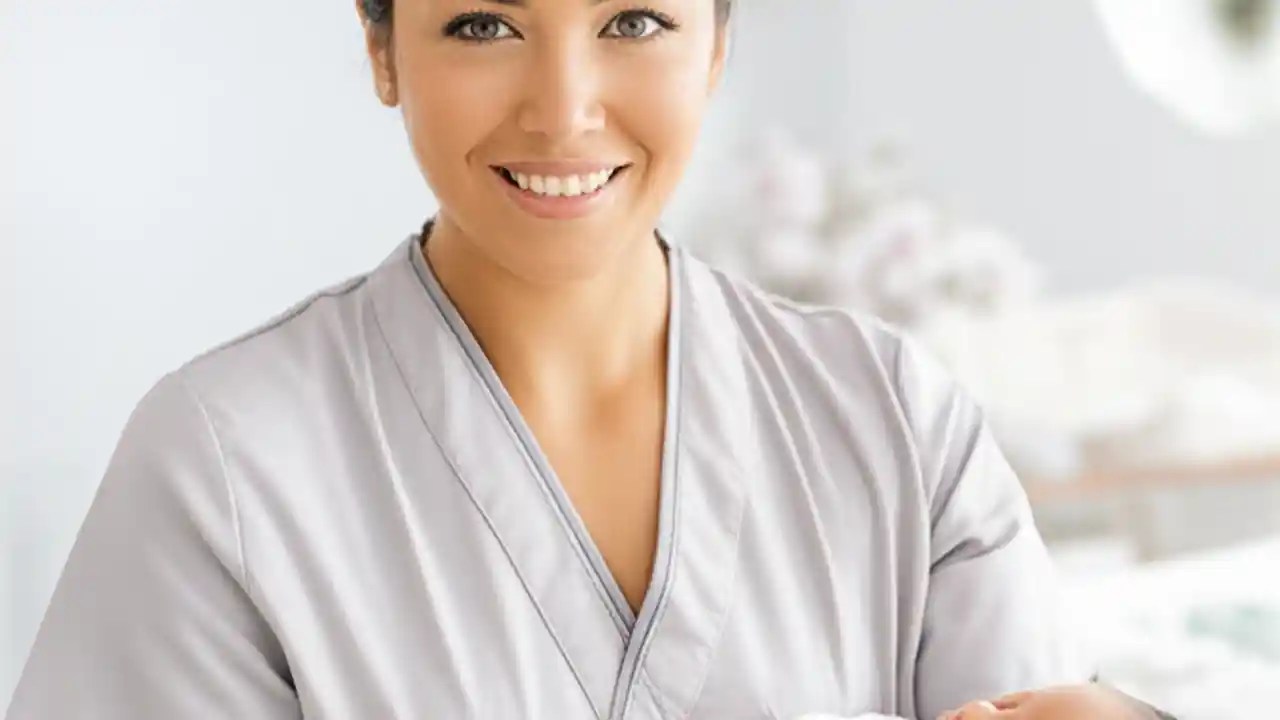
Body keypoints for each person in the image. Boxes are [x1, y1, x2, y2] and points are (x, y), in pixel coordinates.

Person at [7, 1, 1176, 718]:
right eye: (483, 25)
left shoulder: (896, 424)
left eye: (633, 22)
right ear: (381, 47)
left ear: (716, 42)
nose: (562, 111)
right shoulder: (222, 465)